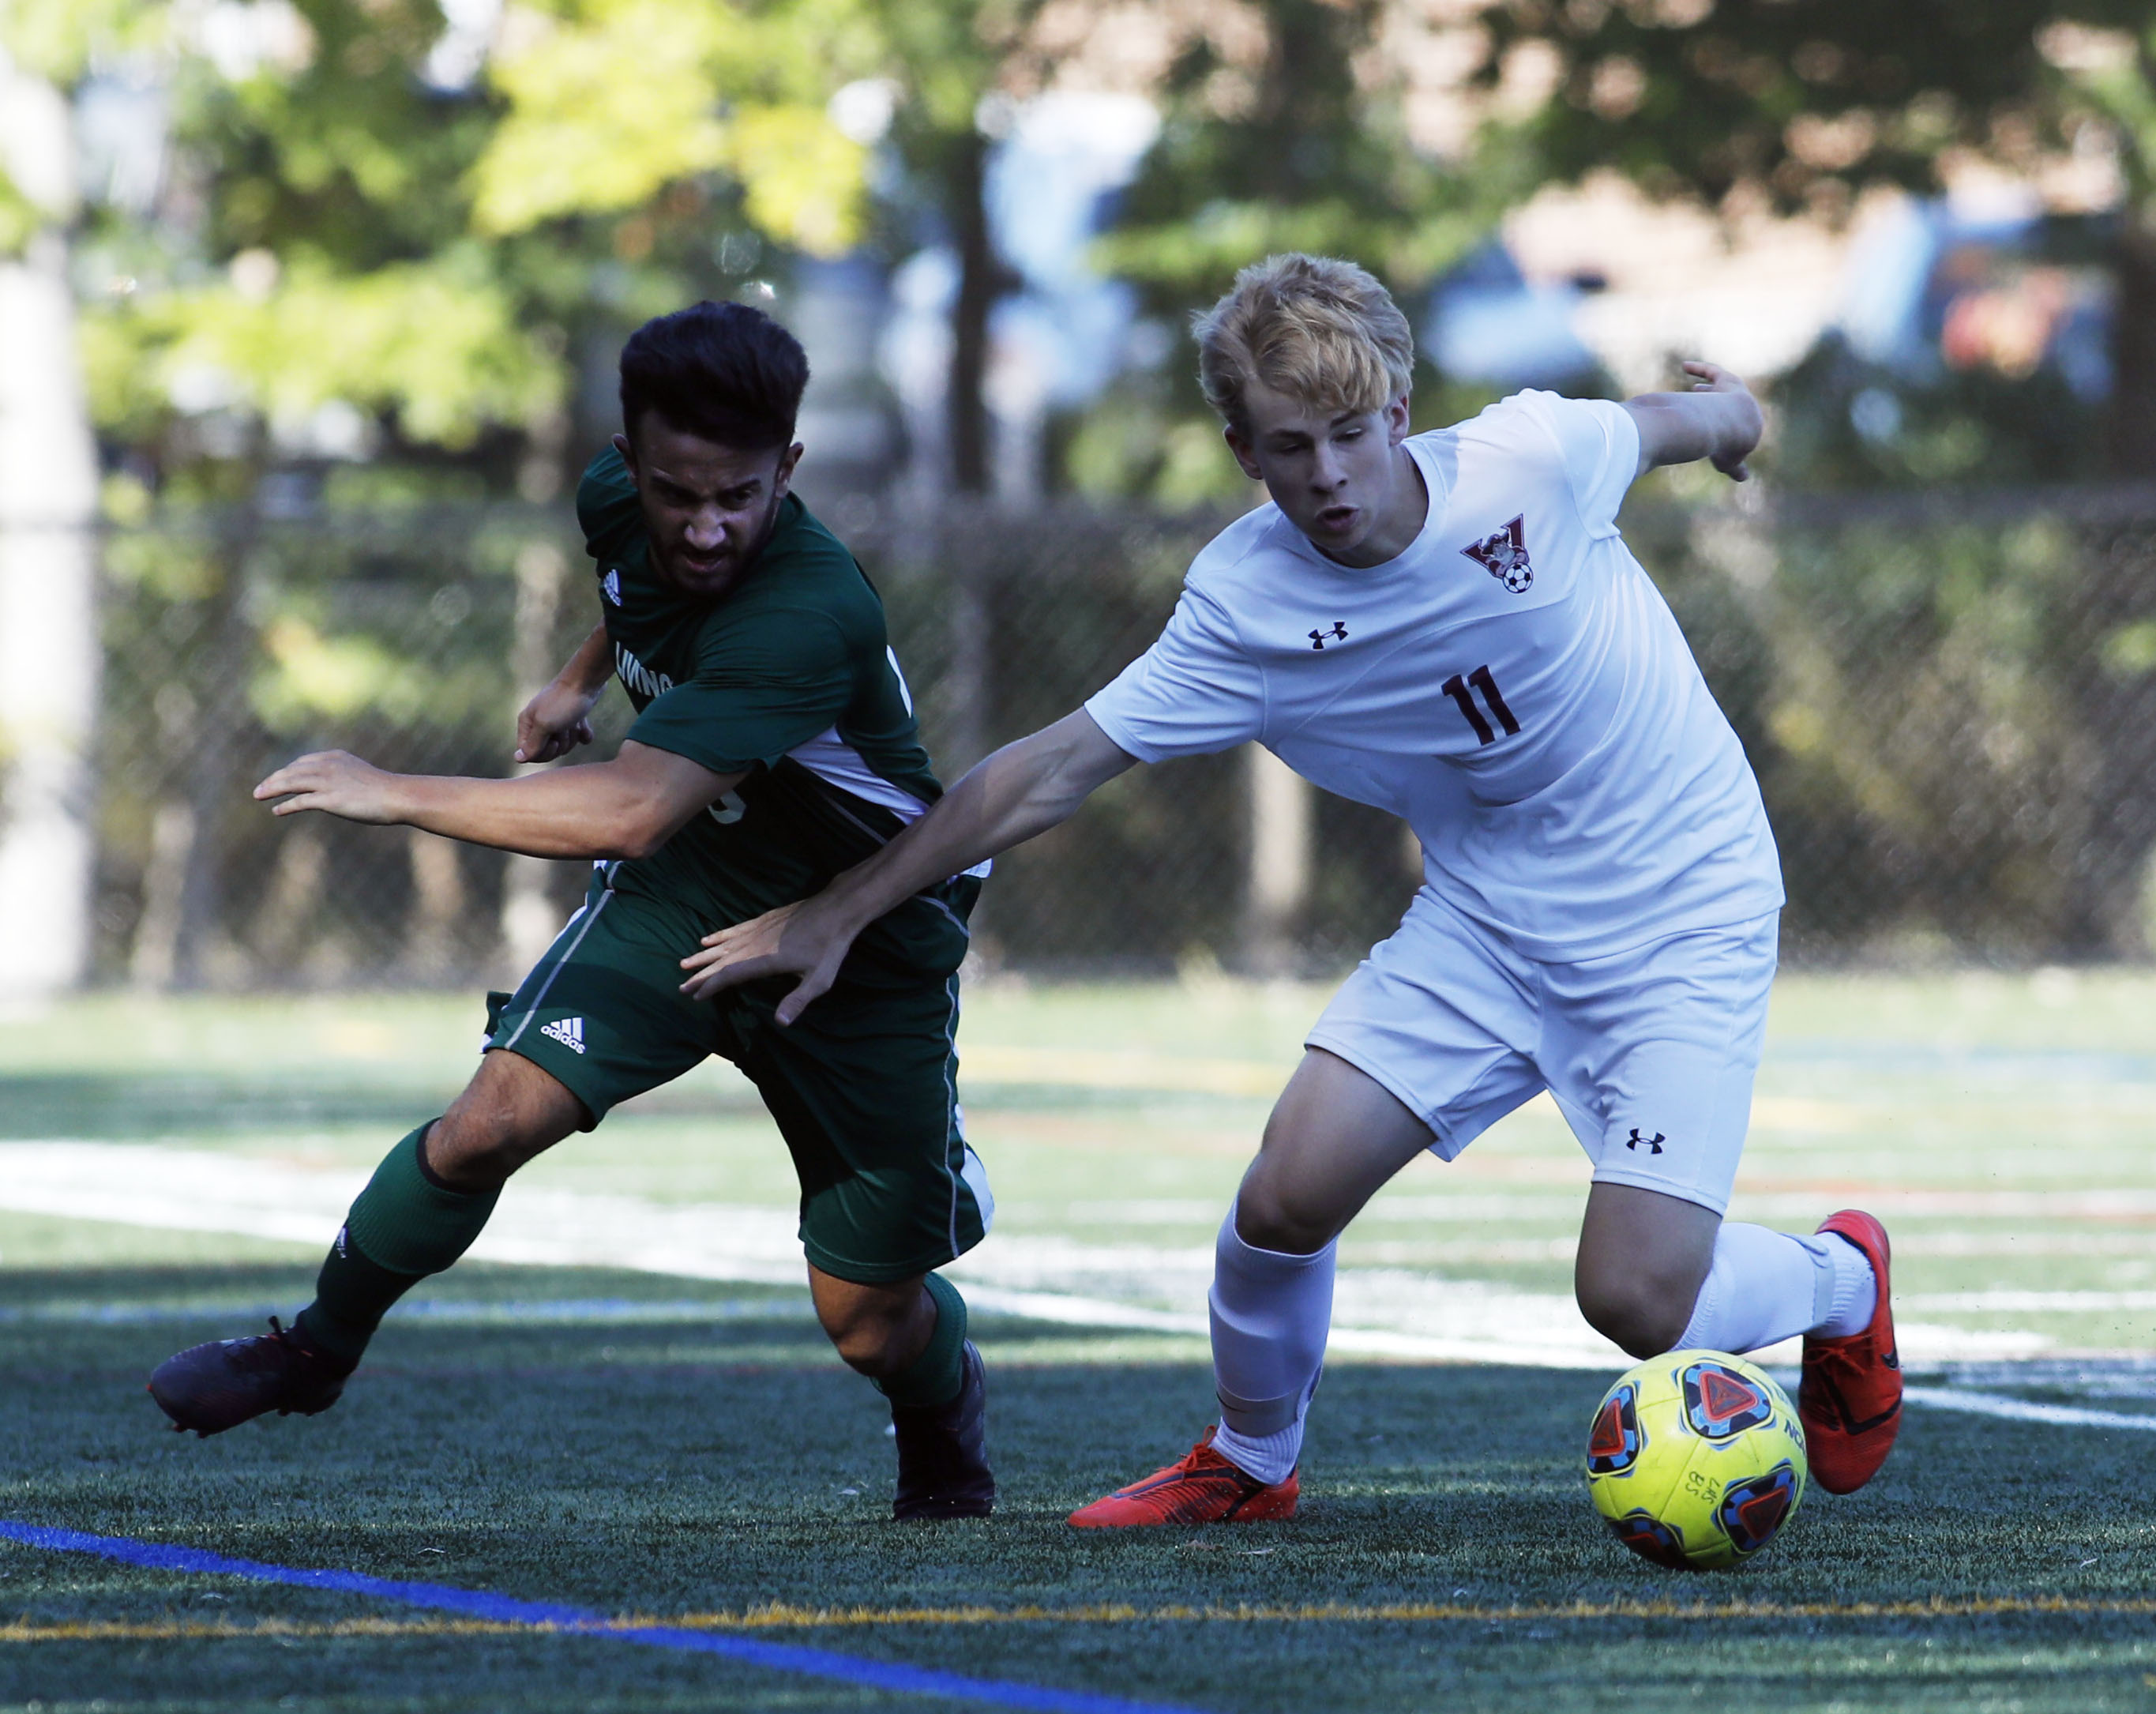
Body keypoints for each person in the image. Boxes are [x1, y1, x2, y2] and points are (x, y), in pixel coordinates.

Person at [677, 254, 1901, 1528]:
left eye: (1348, 435)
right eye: (1287, 446)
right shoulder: (1243, 605)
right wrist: (838, 909)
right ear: (1240, 450)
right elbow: (1045, 771)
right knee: (1285, 1192)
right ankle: (1251, 1462)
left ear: (1399, 405)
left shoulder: (1531, 459)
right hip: (1487, 919)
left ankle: (1837, 1283)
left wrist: (1739, 418)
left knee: (1638, 1303)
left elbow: (1686, 423)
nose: (1325, 475)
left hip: (1678, 907)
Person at [148, 300, 998, 1521]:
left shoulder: (812, 610)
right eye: (676, 493)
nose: (704, 528)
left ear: (790, 470)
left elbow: (626, 812)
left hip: (854, 935)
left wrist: (392, 792)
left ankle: (940, 1401)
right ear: (631, 459)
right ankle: (314, 1350)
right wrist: (572, 677)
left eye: (739, 499)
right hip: (691, 894)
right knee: (483, 1122)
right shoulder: (616, 498)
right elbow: (633, 585)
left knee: (865, 1316)